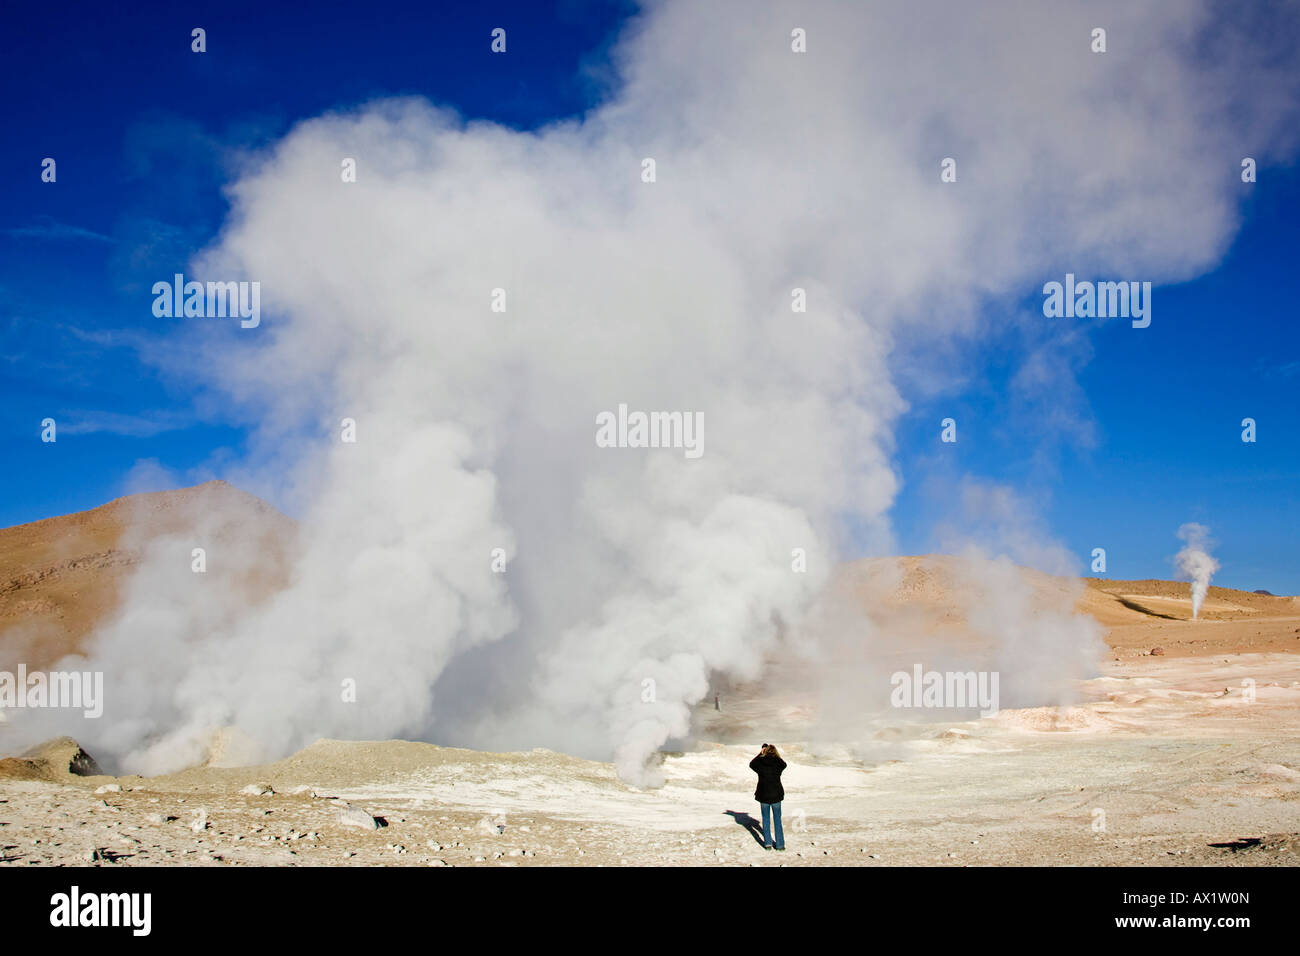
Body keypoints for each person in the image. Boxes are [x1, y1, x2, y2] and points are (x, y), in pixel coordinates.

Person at [749, 743, 786, 850]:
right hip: (776, 795)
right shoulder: (778, 763)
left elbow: (752, 764)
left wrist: (760, 754)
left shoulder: (760, 763)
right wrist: (776, 755)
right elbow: (784, 764)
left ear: (764, 751)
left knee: (765, 819)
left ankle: (768, 844)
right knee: (777, 820)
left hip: (763, 794)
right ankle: (780, 845)